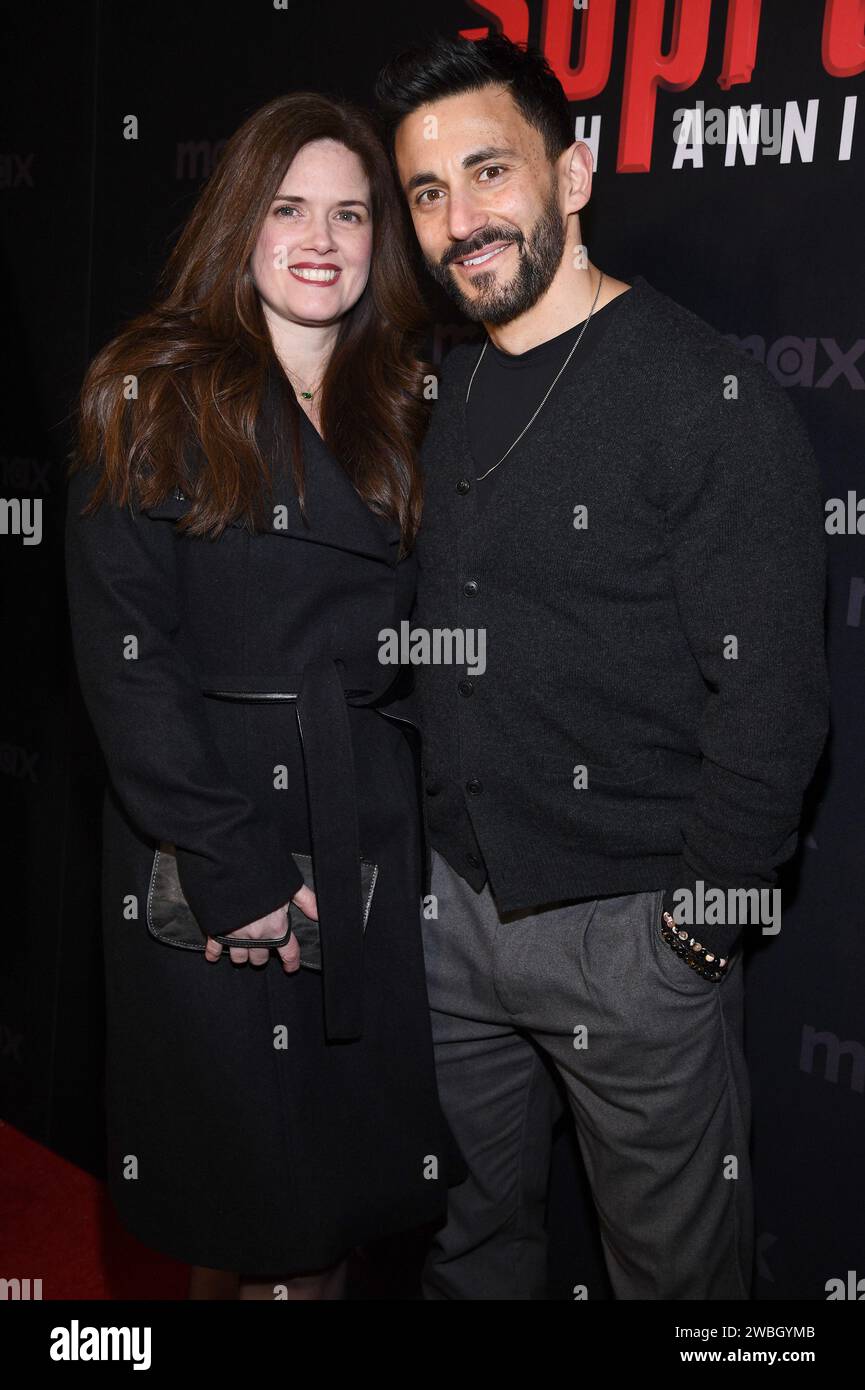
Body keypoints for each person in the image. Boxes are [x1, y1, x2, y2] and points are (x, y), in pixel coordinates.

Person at [374, 34, 830, 1299]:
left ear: (572, 175)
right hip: (453, 914)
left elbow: (777, 693)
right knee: (467, 1252)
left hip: (632, 939)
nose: (460, 221)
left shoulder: (702, 394)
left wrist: (690, 932)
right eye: (426, 193)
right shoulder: (446, 386)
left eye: (488, 173)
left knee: (676, 1284)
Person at [65, 90, 465, 1301]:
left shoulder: (404, 398)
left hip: (364, 834)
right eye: (290, 206)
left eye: (352, 212)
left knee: (328, 1210)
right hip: (212, 834)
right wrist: (234, 874)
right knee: (246, 1205)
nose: (323, 236)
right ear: (240, 219)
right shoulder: (151, 387)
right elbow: (125, 658)